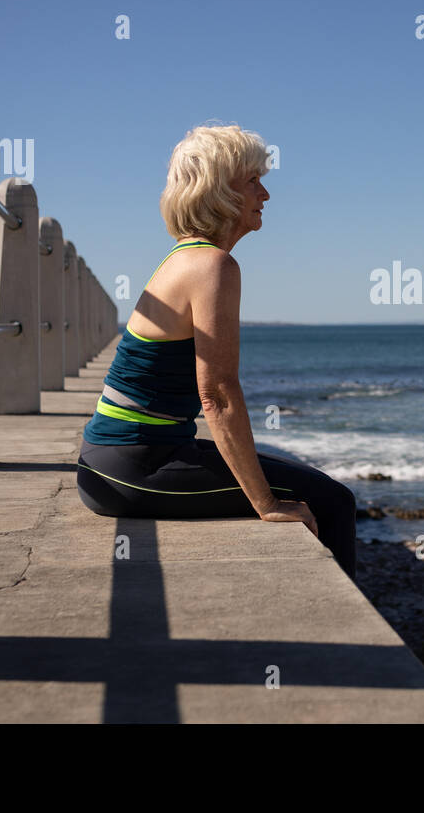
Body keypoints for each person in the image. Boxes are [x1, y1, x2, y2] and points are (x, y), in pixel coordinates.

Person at [76, 123, 357, 580]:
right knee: (332, 500)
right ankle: (355, 651)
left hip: (121, 460)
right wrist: (265, 504)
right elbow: (218, 394)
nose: (265, 194)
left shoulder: (183, 256)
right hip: (130, 469)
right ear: (220, 189)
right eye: (253, 182)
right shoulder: (213, 265)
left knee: (310, 482)